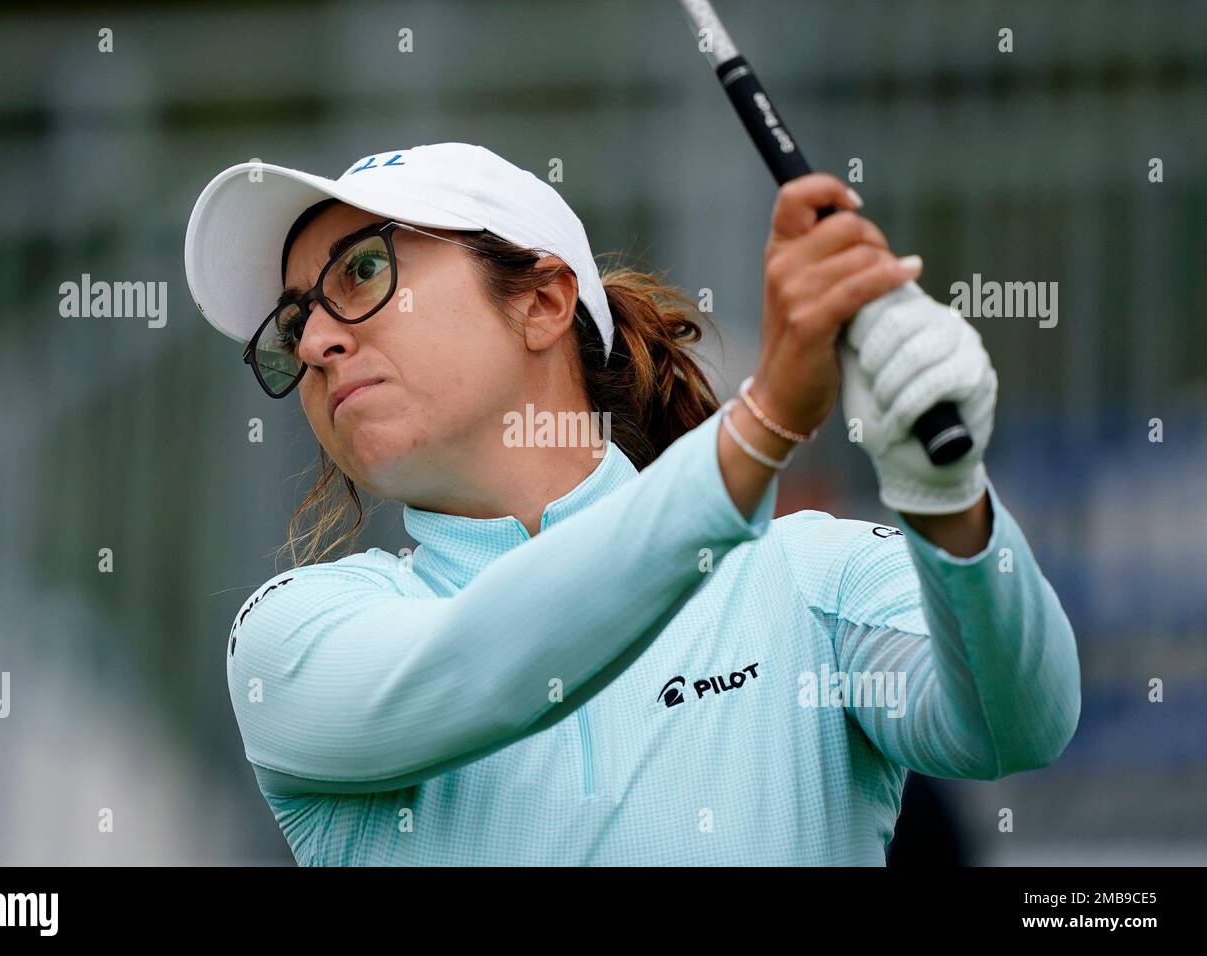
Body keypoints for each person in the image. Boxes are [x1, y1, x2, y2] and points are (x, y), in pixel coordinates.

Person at [184, 141, 1081, 865]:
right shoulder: (294, 630)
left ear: (540, 302)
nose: (317, 342)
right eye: (294, 319)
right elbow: (474, 666)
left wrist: (945, 497)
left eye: (363, 270)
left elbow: (1020, 723)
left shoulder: (810, 574)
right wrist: (760, 427)